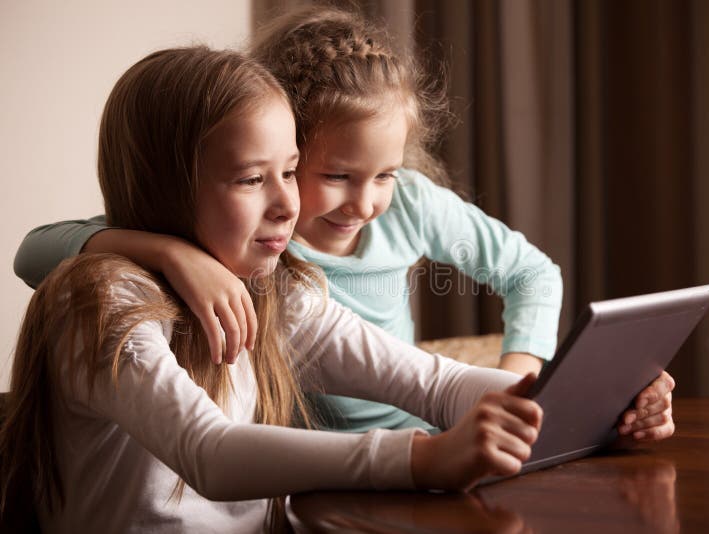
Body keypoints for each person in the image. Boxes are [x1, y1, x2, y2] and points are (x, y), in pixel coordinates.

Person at [12, 6, 674, 440]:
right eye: (334, 177)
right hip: (305, 457)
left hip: (429, 432)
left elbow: (529, 272)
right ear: (279, 151)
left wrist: (527, 380)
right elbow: (35, 253)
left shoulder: (410, 203)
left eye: (382, 174)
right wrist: (166, 251)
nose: (363, 203)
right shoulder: (248, 235)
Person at [0, 46, 545, 533]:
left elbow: (436, 383)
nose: (288, 205)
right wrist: (422, 458)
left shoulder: (270, 291)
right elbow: (209, 453)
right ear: (167, 185)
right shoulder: (100, 300)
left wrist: (575, 407)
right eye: (251, 179)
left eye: (290, 172)